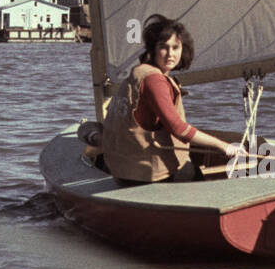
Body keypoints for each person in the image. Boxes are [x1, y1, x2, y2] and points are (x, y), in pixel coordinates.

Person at [101, 14, 246, 183]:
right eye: (164, 47)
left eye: (175, 47)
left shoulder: (138, 75)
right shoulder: (153, 80)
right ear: (152, 49)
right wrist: (223, 146)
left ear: (183, 49)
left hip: (122, 169)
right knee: (196, 177)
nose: (170, 54)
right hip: (147, 174)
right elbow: (178, 129)